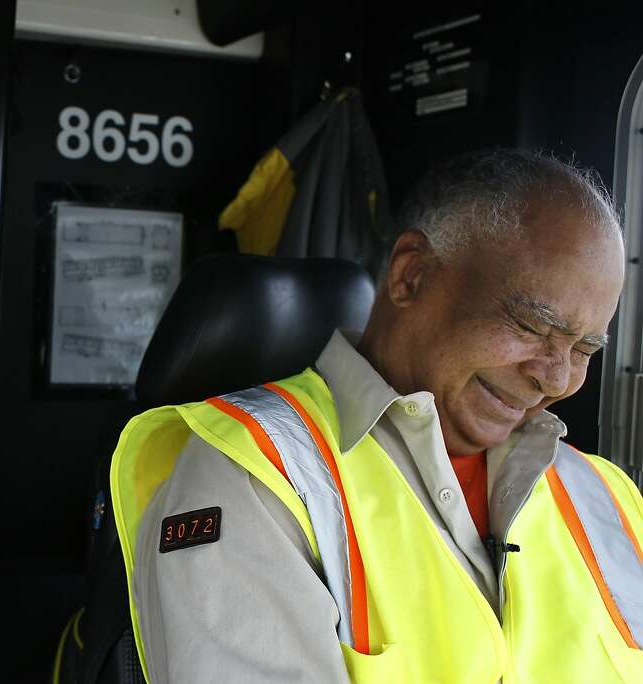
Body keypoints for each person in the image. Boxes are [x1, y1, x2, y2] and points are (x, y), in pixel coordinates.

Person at [113, 150, 643, 682]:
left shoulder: (610, 498)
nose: (556, 378)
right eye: (531, 326)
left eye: (585, 350)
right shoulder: (255, 474)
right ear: (410, 274)